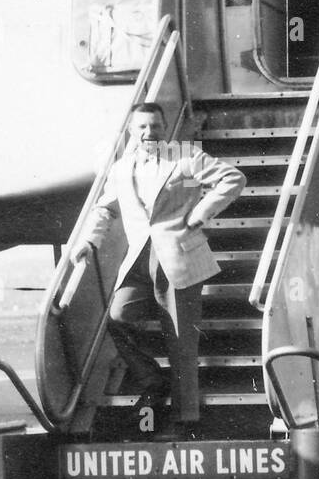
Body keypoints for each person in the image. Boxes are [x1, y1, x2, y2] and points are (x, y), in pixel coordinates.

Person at [72, 102, 246, 440]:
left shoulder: (185, 156)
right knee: (118, 317)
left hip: (178, 256)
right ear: (130, 132)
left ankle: (185, 420)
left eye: (155, 126)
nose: (149, 133)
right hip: (139, 260)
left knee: (181, 340)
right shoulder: (122, 168)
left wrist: (198, 215)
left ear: (164, 129)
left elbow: (233, 178)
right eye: (142, 127)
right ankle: (152, 379)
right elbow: (104, 209)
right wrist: (88, 243)